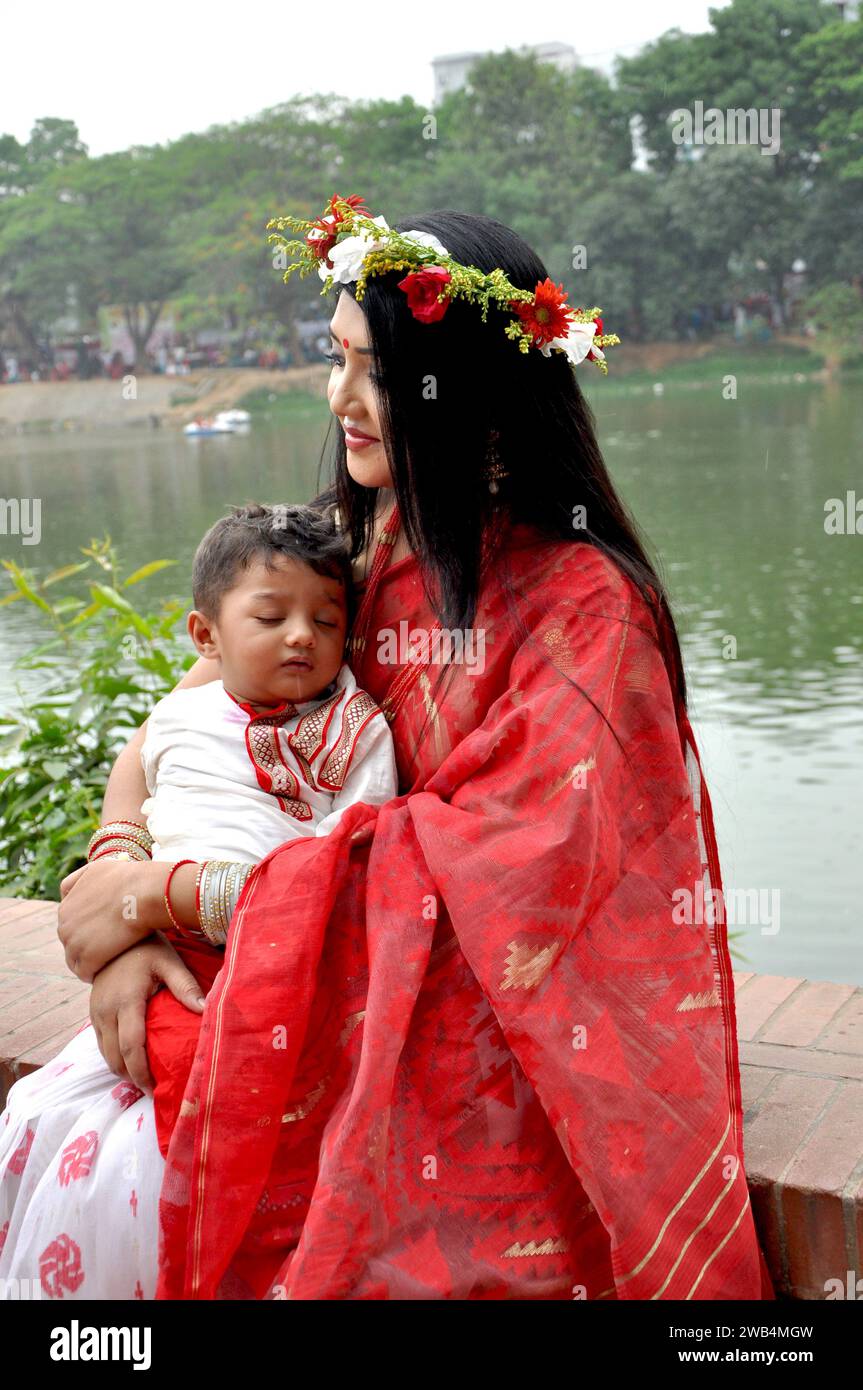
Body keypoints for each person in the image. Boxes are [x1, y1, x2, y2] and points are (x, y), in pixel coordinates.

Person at [3, 195, 774, 1301]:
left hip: (470, 1036)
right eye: (337, 359)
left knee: (131, 1177)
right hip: (274, 970)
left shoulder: (581, 610)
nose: (340, 398)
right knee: (52, 1131)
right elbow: (181, 725)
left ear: (468, 386)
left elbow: (489, 898)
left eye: (376, 372)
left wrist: (161, 897)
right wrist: (116, 876)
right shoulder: (352, 544)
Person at [0, 501, 397, 1299]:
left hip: (291, 947)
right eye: (272, 619)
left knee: (210, 1078)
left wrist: (167, 900)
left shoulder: (353, 726)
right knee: (99, 1086)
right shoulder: (192, 711)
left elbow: (364, 846)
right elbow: (139, 777)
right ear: (205, 637)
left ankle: (229, 1207)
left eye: (328, 622)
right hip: (174, 951)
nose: (303, 636)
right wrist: (122, 897)